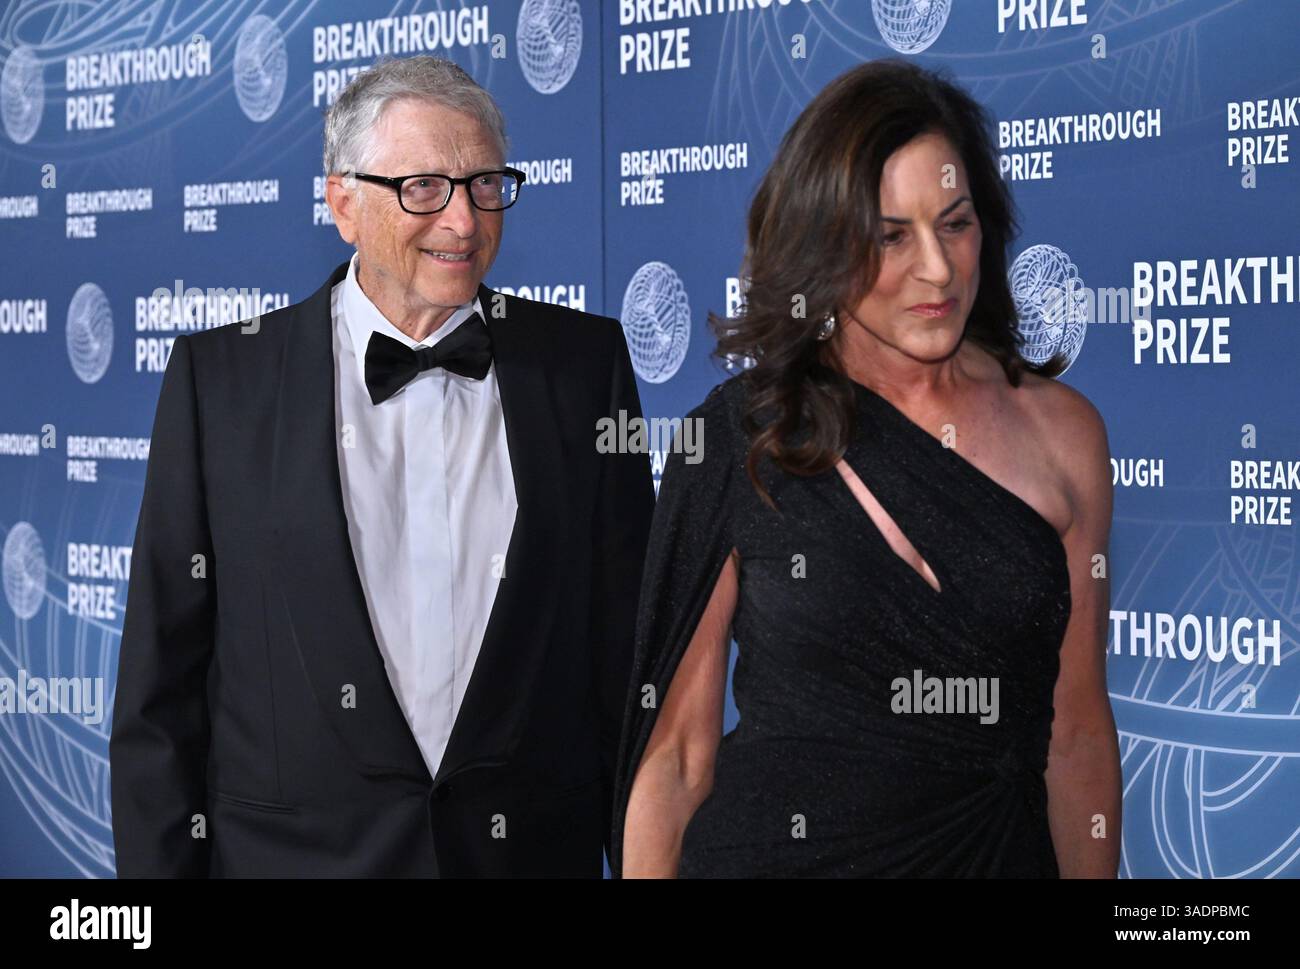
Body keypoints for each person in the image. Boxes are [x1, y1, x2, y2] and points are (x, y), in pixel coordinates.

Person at [111, 55, 655, 877]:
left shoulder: (585, 369)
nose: (464, 222)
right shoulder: (220, 384)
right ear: (343, 202)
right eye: (424, 189)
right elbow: (161, 697)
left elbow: (626, 666)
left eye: (482, 185)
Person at [611, 59, 1121, 878]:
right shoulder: (742, 436)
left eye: (954, 224)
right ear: (824, 244)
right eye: (891, 236)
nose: (938, 269)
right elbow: (675, 757)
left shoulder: (1065, 435)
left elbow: (1078, 728)